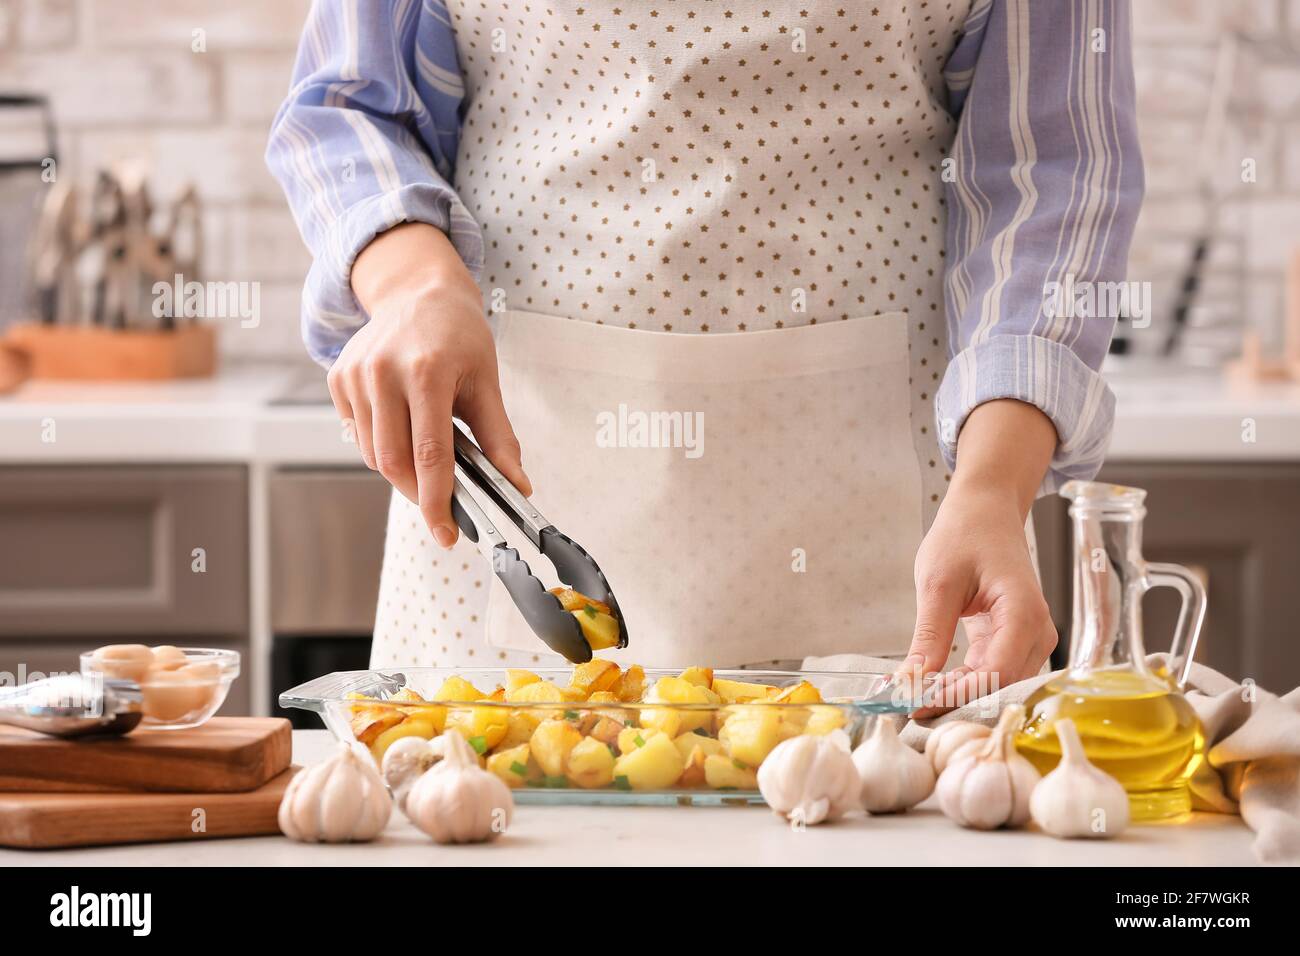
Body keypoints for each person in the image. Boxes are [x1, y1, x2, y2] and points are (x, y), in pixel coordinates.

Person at [267, 0, 1142, 700]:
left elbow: (1053, 169)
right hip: (515, 463)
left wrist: (994, 483)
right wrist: (415, 285)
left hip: (901, 487)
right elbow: (346, 105)